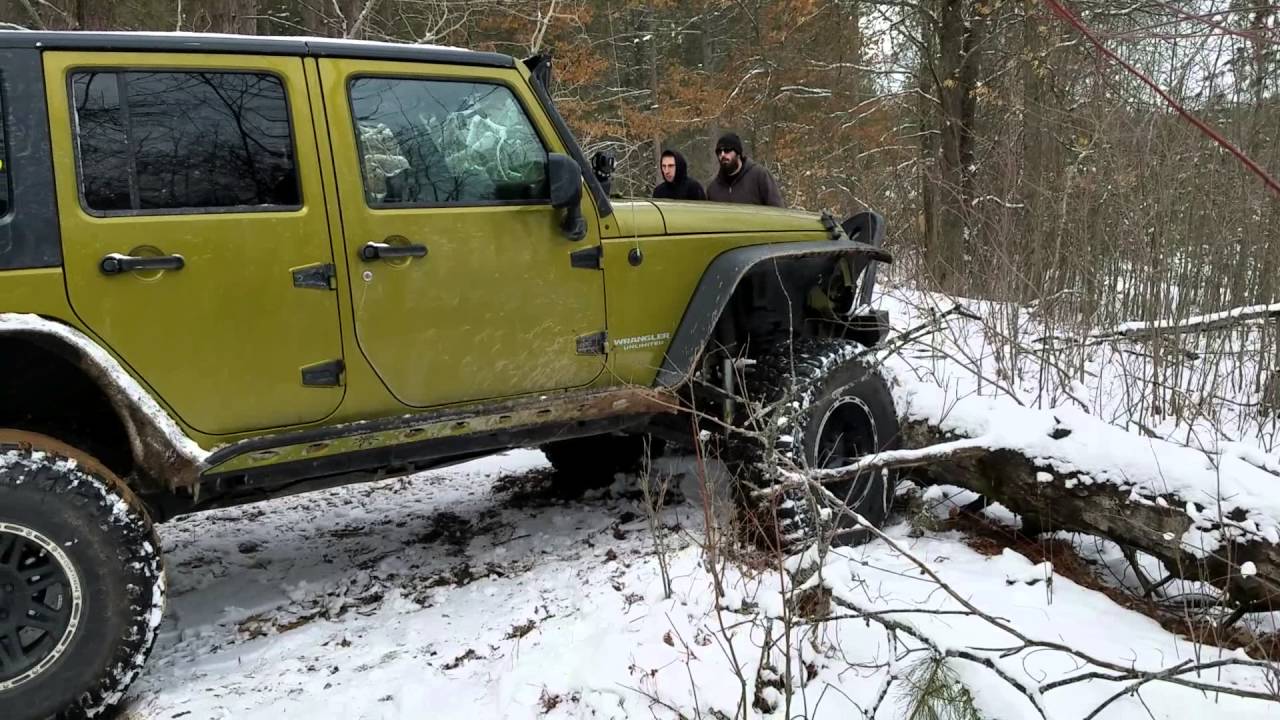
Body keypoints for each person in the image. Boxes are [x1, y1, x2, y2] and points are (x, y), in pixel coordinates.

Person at [705, 132, 783, 207]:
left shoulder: (760, 176)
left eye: (727, 150)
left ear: (738, 153)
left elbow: (777, 211)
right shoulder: (713, 189)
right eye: (719, 152)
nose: (722, 155)